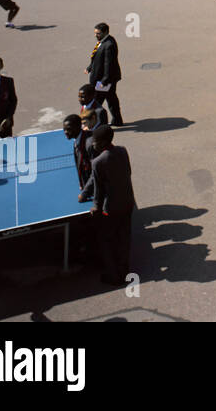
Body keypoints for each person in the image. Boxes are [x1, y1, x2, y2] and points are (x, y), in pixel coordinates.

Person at [82, 125, 136, 285]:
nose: (93, 144)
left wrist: (96, 207)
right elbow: (128, 172)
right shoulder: (123, 151)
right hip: (127, 202)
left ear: (104, 142)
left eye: (96, 142)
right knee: (124, 238)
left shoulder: (98, 162)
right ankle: (124, 271)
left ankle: (113, 276)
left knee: (108, 242)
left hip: (111, 209)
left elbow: (98, 189)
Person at [87, 22, 125, 126]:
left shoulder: (109, 45)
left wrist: (104, 81)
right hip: (107, 79)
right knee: (111, 99)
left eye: (98, 33)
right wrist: (90, 67)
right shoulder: (102, 41)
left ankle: (97, 123)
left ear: (106, 32)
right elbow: (97, 58)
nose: (96, 35)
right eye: (95, 33)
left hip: (105, 80)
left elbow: (109, 64)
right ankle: (117, 120)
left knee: (96, 102)